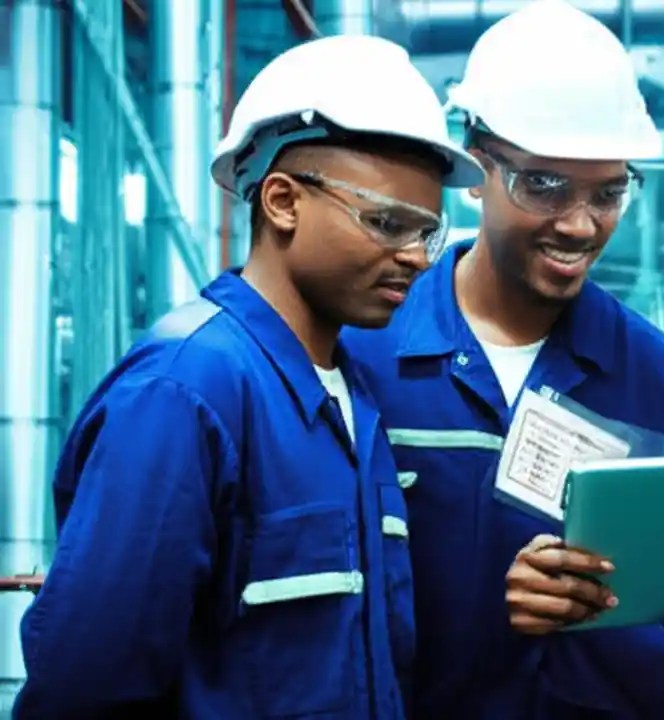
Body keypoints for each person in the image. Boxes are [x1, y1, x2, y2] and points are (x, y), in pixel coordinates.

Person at [13, 35, 484, 719]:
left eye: (428, 234)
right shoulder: (185, 393)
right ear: (283, 202)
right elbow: (84, 687)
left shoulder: (352, 399)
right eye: (388, 224)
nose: (415, 258)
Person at [341, 1, 664, 717]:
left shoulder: (662, 384)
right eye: (544, 185)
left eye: (609, 193)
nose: (580, 225)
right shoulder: (365, 353)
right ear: (475, 166)